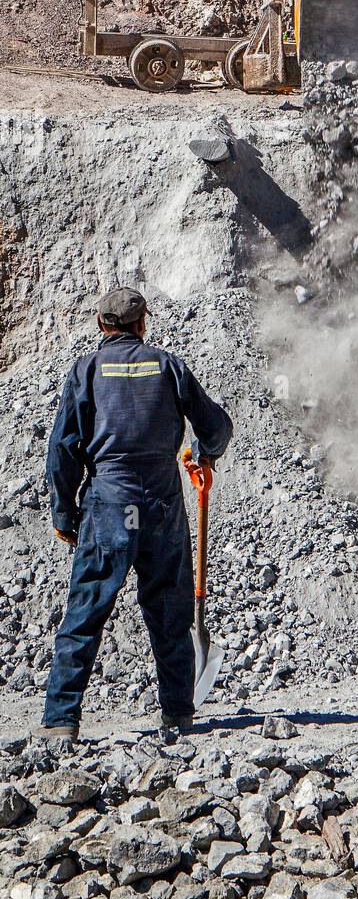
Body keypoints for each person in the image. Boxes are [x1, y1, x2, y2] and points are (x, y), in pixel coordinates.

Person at [41, 287, 233, 741]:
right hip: (161, 506)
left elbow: (64, 449)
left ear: (101, 325)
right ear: (142, 324)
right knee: (169, 608)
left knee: (87, 609)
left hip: (110, 506)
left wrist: (64, 513)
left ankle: (61, 722)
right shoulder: (168, 366)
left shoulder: (86, 370)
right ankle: (178, 714)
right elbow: (218, 427)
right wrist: (204, 452)